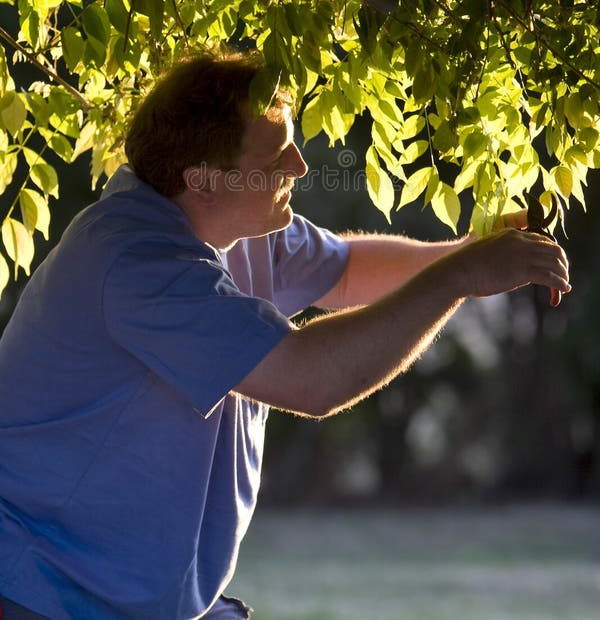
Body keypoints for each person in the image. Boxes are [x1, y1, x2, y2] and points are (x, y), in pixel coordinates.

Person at [0, 50, 570, 619]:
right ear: (203, 181)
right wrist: (463, 277)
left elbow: (345, 270)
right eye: (276, 156)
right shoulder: (136, 261)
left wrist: (468, 252)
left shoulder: (233, 223)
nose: (299, 166)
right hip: (44, 590)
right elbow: (311, 378)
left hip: (137, 596)